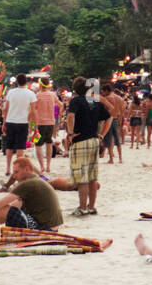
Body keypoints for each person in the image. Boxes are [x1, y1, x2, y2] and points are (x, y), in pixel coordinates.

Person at [64, 76, 110, 216]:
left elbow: (71, 116)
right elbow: (109, 117)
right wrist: (101, 134)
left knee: (81, 176)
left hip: (80, 140)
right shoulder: (94, 101)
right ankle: (91, 207)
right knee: (92, 176)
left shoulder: (76, 101)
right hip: (94, 140)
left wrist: (71, 133)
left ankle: (82, 207)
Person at [2, 74, 37, 177]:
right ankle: (17, 170)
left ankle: (8, 168)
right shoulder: (30, 94)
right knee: (20, 147)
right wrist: (33, 125)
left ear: (17, 82)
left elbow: (6, 109)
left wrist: (4, 122)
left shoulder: (11, 92)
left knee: (9, 146)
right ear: (26, 82)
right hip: (23, 122)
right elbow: (33, 111)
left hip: (10, 121)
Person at [32, 79, 59, 168]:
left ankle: (42, 166)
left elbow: (33, 111)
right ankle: (48, 165)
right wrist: (58, 116)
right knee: (49, 143)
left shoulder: (37, 95)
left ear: (40, 84)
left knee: (37, 144)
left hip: (40, 123)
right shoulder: (52, 95)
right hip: (51, 122)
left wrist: (32, 125)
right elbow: (61, 105)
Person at [98, 84, 125, 165]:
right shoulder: (120, 98)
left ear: (106, 90)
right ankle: (120, 158)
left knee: (109, 140)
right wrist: (120, 121)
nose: (102, 93)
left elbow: (104, 112)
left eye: (103, 91)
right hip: (117, 119)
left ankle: (111, 159)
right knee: (117, 140)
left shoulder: (107, 98)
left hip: (109, 120)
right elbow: (122, 111)